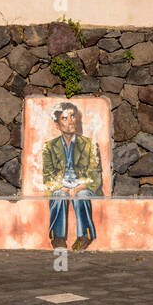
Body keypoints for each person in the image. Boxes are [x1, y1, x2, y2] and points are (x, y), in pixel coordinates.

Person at [42, 102, 102, 251]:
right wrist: (61, 187)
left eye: (73, 116)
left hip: (83, 184)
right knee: (58, 195)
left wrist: (80, 186)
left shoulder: (90, 145)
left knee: (81, 195)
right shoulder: (49, 147)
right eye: (64, 118)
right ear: (57, 124)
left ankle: (85, 236)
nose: (70, 121)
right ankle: (58, 238)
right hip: (61, 185)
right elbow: (48, 175)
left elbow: (95, 174)